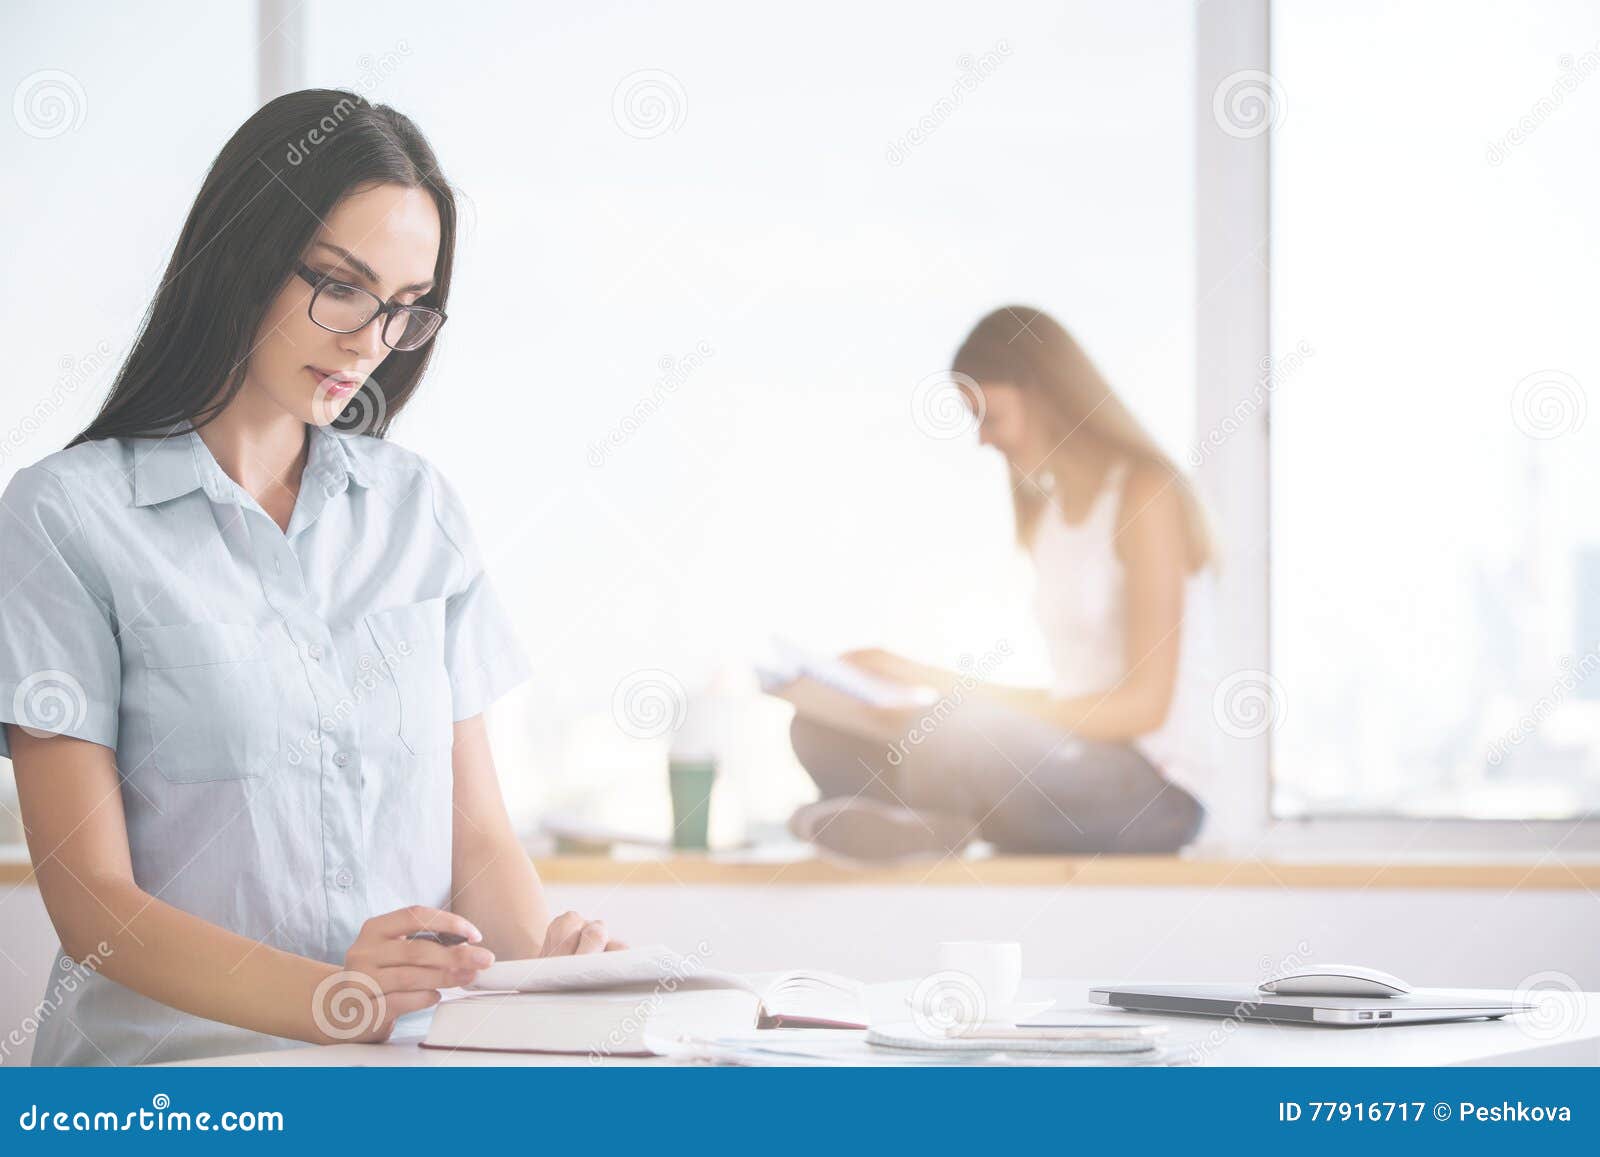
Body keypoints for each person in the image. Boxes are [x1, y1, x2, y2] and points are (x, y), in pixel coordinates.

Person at [0, 90, 619, 1066]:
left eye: (406, 309)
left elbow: (481, 848)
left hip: (396, 1075)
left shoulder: (418, 509)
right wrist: (337, 998)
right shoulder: (65, 517)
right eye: (341, 285)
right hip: (175, 1091)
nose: (370, 339)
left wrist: (547, 968)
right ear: (241, 254)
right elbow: (91, 904)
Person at [789, 306, 1218, 861]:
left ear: (1044, 394)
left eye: (990, 418)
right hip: (1066, 764)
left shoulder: (1144, 495)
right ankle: (928, 822)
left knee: (961, 738)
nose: (983, 442)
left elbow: (1141, 710)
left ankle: (928, 820)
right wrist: (916, 685)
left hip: (1151, 796)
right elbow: (1065, 703)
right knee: (821, 732)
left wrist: (947, 703)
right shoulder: (1049, 520)